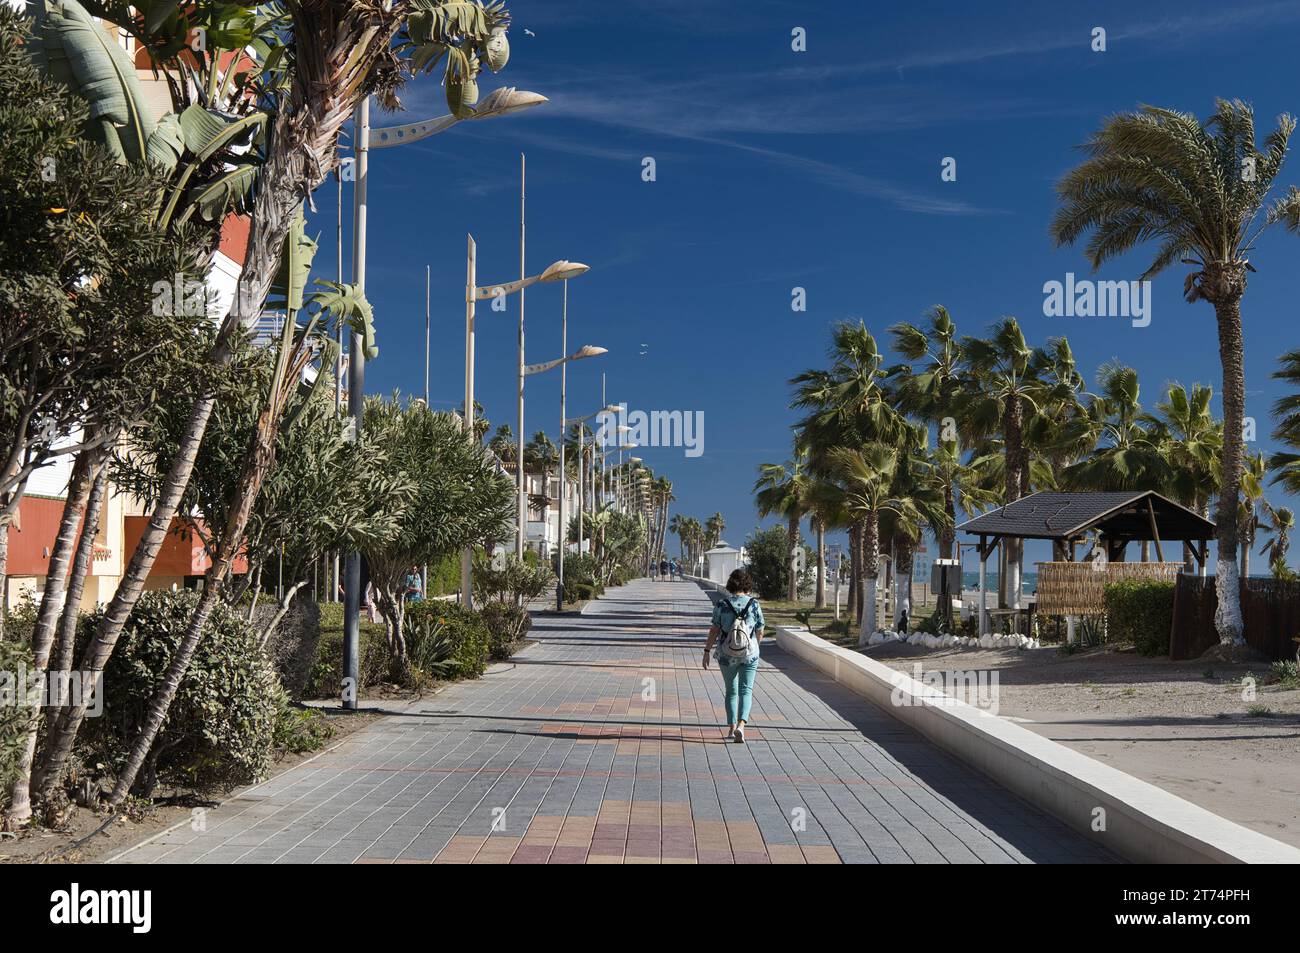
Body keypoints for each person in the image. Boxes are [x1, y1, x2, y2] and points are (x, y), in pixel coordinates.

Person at [702, 568, 765, 743]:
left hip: (726, 654)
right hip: (749, 654)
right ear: (747, 585)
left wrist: (707, 651)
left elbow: (714, 630)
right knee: (746, 690)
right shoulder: (753, 604)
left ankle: (730, 729)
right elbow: (760, 629)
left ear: (730, 584)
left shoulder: (722, 604)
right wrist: (755, 647)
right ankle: (741, 726)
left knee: (731, 691)